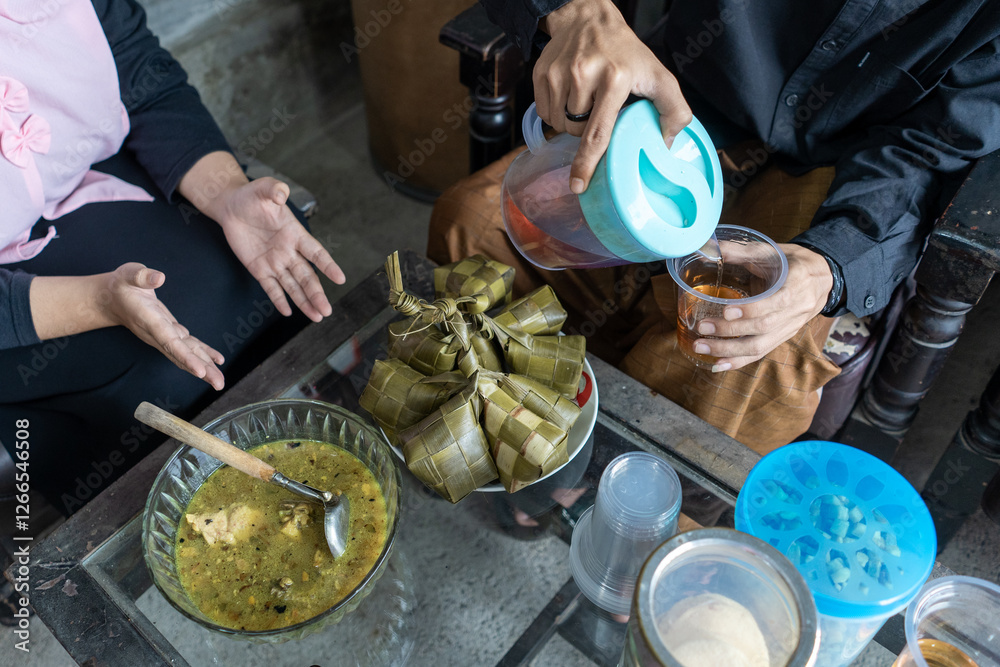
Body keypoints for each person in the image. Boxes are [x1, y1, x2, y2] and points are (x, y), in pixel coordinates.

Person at [429, 0, 1000, 453]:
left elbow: (938, 144)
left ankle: (633, 506)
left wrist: (830, 265)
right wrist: (576, 11)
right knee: (474, 228)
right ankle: (527, 447)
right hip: (684, 93)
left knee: (740, 355)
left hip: (851, 167)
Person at [0, 0, 345, 514]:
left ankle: (294, 433)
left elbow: (140, 72)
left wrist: (228, 194)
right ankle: (173, 514)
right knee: (162, 367)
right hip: (15, 305)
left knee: (263, 257)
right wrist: (100, 302)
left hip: (87, 177)